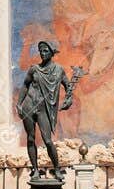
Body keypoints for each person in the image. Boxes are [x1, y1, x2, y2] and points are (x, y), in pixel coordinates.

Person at [18, 39, 74, 174]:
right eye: (41, 51)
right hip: (29, 105)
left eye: (45, 51)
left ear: (52, 53)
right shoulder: (34, 69)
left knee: (48, 141)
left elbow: (68, 86)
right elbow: (25, 85)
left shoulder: (59, 70)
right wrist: (19, 104)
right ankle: (35, 169)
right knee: (30, 138)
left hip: (44, 109)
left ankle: (56, 168)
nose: (42, 53)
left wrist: (69, 99)